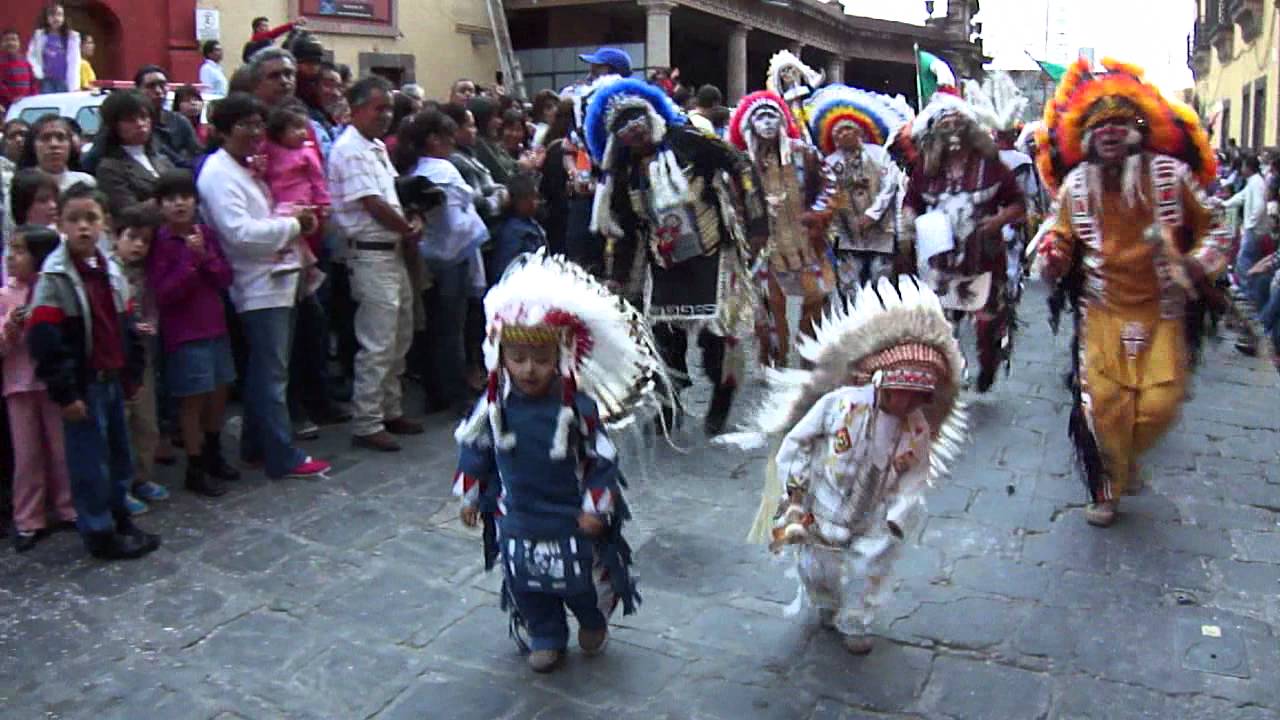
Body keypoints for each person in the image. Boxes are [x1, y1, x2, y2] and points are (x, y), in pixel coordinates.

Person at [1036, 58, 1229, 527]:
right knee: (1103, 409)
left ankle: (1125, 464)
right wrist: (1054, 255)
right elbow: (1059, 235)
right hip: (1101, 311)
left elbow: (1217, 232)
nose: (1110, 133)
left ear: (1137, 132)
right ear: (1087, 139)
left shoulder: (1170, 176)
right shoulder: (1075, 187)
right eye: (1100, 127)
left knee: (1159, 407)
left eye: (1120, 124)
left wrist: (1193, 264)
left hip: (1162, 310)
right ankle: (1107, 488)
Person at [739, 276, 965, 655]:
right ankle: (827, 601)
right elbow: (798, 442)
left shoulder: (917, 427)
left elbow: (916, 476)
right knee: (817, 568)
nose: (906, 406)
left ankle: (857, 618)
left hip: (876, 511)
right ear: (880, 384)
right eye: (899, 396)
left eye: (916, 399)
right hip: (824, 503)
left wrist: (899, 512)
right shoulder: (841, 404)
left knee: (869, 569)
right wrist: (795, 491)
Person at [453, 252, 656, 672]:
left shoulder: (577, 408)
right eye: (518, 358)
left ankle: (590, 617)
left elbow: (603, 457)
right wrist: (471, 496)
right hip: (517, 515)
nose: (529, 370)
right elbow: (475, 447)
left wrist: (595, 507)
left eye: (541, 360)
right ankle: (545, 634)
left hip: (569, 517)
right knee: (525, 581)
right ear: (500, 354)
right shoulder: (493, 406)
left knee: (578, 580)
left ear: (561, 357)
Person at [587, 79, 768, 435]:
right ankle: (669, 405)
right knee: (664, 338)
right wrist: (618, 276)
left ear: (652, 115)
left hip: (712, 252)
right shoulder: (623, 172)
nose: (633, 130)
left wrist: (757, 219)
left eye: (636, 119)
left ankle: (721, 396)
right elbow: (622, 228)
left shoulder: (688, 140)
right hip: (664, 261)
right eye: (622, 126)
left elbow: (740, 164)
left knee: (716, 336)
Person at [196, 92, 330, 480]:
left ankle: (258, 444)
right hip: (257, 284)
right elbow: (239, 233)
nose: (255, 132)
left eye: (259, 123)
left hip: (275, 277)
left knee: (266, 370)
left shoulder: (244, 167)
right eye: (245, 125)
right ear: (222, 131)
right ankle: (281, 454)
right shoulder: (218, 174)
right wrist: (293, 226)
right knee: (272, 373)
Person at [28, 183, 160, 560]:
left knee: (120, 453)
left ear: (105, 223)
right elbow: (46, 341)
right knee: (90, 462)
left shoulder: (111, 271)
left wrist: (132, 373)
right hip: (83, 386)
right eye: (74, 219)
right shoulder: (55, 278)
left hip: (112, 378)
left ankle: (120, 518)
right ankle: (99, 531)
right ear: (61, 225)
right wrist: (65, 393)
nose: (83, 227)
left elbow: (128, 324)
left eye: (91, 219)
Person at [899, 91, 1025, 393]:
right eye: (945, 126)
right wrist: (908, 225)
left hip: (982, 257)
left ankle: (988, 362)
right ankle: (952, 373)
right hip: (939, 259)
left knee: (984, 323)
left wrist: (996, 221)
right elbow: (912, 201)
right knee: (942, 324)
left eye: (958, 125)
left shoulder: (991, 165)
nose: (952, 133)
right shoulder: (925, 170)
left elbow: (1018, 204)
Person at [327, 76, 425, 452]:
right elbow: (372, 203)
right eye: (377, 108)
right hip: (370, 252)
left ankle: (389, 408)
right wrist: (407, 228)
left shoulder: (376, 147)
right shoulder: (350, 149)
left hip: (392, 249)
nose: (384, 115)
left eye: (388, 108)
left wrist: (413, 218)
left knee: (399, 334)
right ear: (355, 110)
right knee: (378, 340)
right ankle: (367, 420)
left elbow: (393, 194)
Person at [728, 90, 836, 368]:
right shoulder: (741, 163)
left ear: (782, 119)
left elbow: (830, 185)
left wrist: (818, 213)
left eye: (772, 115)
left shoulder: (804, 153)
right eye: (760, 117)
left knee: (818, 295)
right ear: (749, 124)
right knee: (768, 305)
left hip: (806, 240)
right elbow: (731, 199)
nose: (767, 122)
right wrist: (744, 227)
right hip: (764, 245)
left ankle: (809, 351)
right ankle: (774, 359)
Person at [148, 171, 239, 497]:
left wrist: (205, 257)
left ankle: (214, 451)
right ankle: (195, 463)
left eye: (185, 197)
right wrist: (190, 261)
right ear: (160, 206)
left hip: (215, 324)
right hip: (184, 332)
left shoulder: (206, 235)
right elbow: (165, 292)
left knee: (219, 391)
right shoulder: (160, 243)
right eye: (171, 199)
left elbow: (224, 277)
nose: (179, 204)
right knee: (193, 399)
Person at [1, 224, 74, 552]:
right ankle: (28, 519)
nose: (11, 258)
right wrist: (10, 327)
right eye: (10, 250)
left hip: (50, 382)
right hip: (19, 386)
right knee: (27, 455)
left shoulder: (52, 288)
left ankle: (69, 507)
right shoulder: (4, 295)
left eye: (19, 251)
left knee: (61, 450)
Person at [805, 84, 912, 296]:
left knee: (880, 281)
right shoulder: (831, 161)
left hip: (881, 230)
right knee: (848, 284)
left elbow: (890, 186)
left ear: (859, 132)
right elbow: (830, 193)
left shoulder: (879, 155)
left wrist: (872, 216)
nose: (843, 134)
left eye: (848, 129)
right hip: (847, 233)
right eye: (839, 131)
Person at [108, 205, 171, 514]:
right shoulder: (107, 271)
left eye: (144, 241)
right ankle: (119, 486)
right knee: (121, 422)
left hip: (142, 355)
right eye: (131, 237)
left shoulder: (147, 272)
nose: (137, 246)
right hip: (116, 359)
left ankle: (142, 477)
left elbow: (151, 308)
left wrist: (149, 324)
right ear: (115, 237)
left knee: (146, 421)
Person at [94, 90, 177, 219]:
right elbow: (126, 213)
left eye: (144, 117)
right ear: (114, 126)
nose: (140, 124)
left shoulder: (163, 159)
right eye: (130, 120)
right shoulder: (109, 167)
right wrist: (166, 200)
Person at [133, 66, 202, 170]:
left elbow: (198, 154)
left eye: (162, 85)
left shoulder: (180, 121)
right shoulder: (128, 124)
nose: (158, 91)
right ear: (138, 90)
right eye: (150, 86)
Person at [1225, 154, 1269, 310]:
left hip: (1254, 229)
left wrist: (1250, 224)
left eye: (1243, 166)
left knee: (1243, 262)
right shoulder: (1253, 182)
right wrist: (1224, 203)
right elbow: (1240, 197)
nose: (1241, 169)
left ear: (1249, 168)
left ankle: (1247, 294)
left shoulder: (1257, 183)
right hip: (1254, 228)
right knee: (1250, 262)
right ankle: (1250, 294)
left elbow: (1259, 207)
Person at [491, 173, 545, 280]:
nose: (536, 202)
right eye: (533, 198)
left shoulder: (530, 223)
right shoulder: (513, 232)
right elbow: (505, 271)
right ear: (520, 201)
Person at [20, 115, 93, 190]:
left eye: (60, 138)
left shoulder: (85, 182)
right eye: (45, 138)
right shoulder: (22, 184)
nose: (54, 144)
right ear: (33, 145)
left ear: (70, 144)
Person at [27, 3, 81, 93]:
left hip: (64, 81)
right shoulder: (39, 35)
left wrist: (75, 86)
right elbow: (31, 56)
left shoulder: (71, 37)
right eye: (52, 14)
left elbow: (75, 62)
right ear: (47, 18)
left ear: (64, 17)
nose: (56, 18)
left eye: (59, 14)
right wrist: (38, 73)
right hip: (46, 81)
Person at [1, 29, 37, 108]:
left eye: (14, 40)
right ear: (1, 44)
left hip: (25, 104)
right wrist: (12, 98)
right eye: (7, 40)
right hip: (6, 106)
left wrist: (33, 98)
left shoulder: (25, 62)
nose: (10, 43)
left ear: (19, 43)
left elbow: (33, 83)